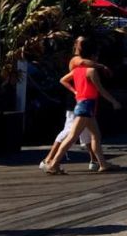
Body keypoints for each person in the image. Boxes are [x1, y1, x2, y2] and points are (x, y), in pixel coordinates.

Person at [47, 38, 122, 174]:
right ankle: (54, 163)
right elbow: (100, 90)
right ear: (91, 57)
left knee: (95, 136)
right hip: (87, 105)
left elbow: (62, 80)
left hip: (83, 104)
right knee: (72, 137)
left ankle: (103, 164)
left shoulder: (77, 71)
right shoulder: (91, 71)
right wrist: (114, 101)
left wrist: (75, 91)